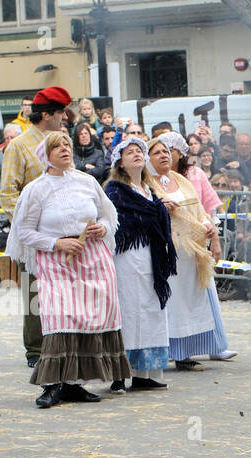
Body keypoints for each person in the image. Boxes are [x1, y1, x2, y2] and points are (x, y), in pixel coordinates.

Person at [7, 131, 127, 407]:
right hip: (57, 261)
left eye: (67, 145)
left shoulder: (87, 182)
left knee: (88, 319)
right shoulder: (36, 189)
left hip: (93, 258)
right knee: (59, 318)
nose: (64, 149)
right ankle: (52, 384)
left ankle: (76, 383)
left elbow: (109, 215)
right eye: (57, 146)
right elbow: (23, 231)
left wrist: (103, 227)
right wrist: (56, 243)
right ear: (45, 155)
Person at [1, 85, 72, 368]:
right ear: (45, 115)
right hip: (34, 235)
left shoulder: (64, 141)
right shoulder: (19, 145)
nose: (64, 117)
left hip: (64, 232)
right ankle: (35, 349)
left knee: (65, 292)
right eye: (60, 113)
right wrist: (26, 228)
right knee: (34, 294)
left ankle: (64, 342)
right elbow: (7, 193)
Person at [148, 135, 229, 369]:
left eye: (166, 151)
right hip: (166, 252)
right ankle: (163, 352)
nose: (164, 155)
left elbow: (200, 210)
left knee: (188, 303)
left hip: (190, 252)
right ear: (147, 159)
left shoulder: (181, 180)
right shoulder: (145, 185)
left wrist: (210, 231)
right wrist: (159, 208)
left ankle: (185, 354)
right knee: (170, 303)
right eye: (157, 153)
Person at [105, 137, 175, 392]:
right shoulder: (114, 191)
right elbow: (114, 224)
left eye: (139, 151)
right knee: (127, 311)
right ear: (120, 163)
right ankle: (119, 375)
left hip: (150, 257)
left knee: (150, 310)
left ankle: (144, 373)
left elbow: (156, 218)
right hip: (126, 256)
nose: (136, 154)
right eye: (130, 152)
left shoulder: (149, 189)